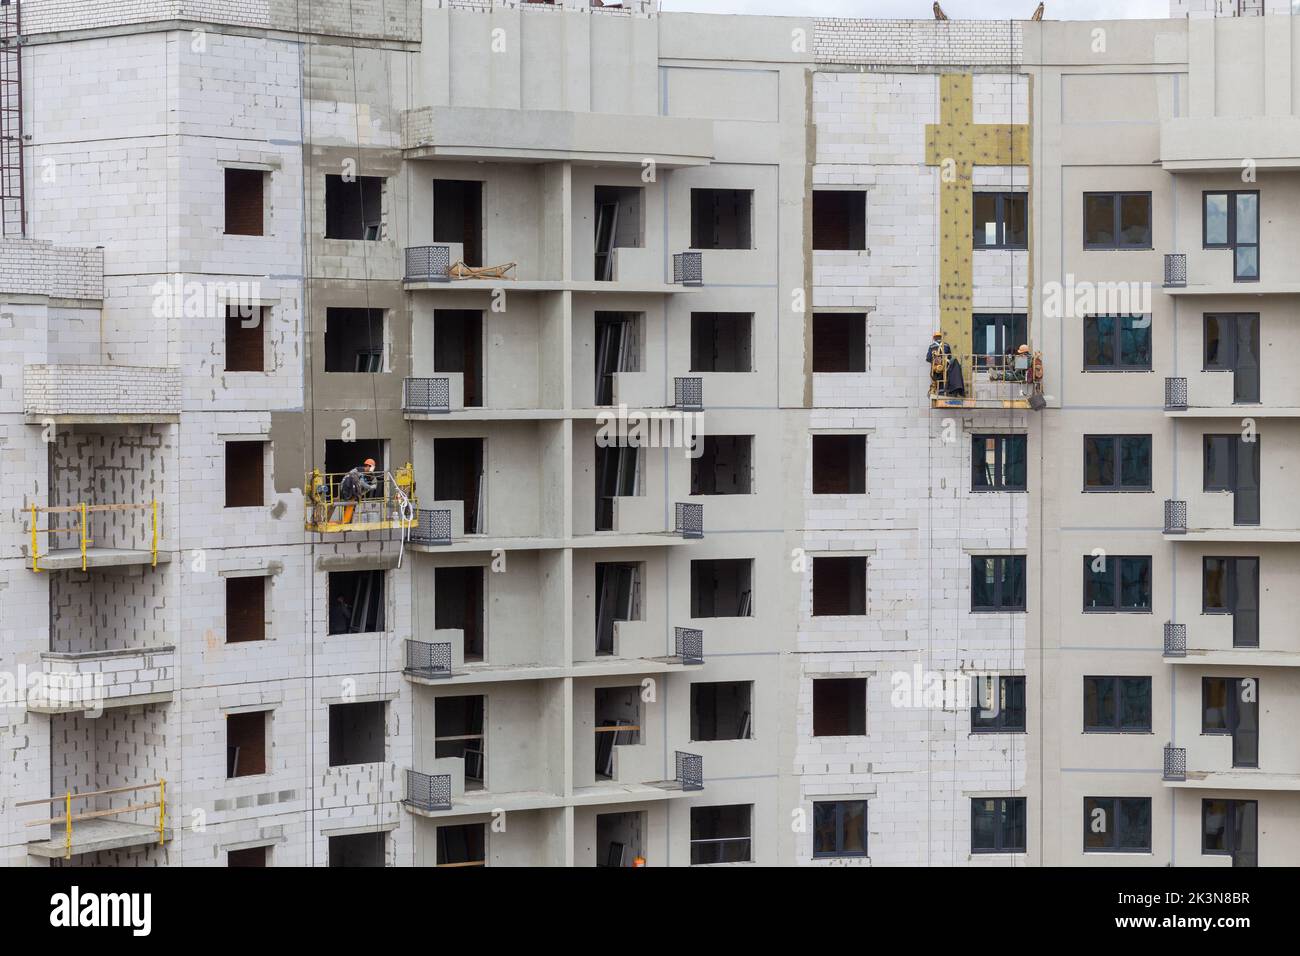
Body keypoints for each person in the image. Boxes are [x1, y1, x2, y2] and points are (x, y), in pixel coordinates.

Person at [338, 458, 378, 524]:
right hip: (348, 488)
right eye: (373, 467)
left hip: (348, 487)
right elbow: (362, 483)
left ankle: (347, 520)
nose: (373, 470)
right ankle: (346, 521)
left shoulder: (360, 471)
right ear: (368, 466)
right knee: (350, 504)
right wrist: (371, 487)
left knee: (351, 504)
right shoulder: (360, 471)